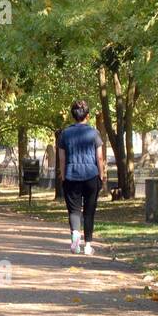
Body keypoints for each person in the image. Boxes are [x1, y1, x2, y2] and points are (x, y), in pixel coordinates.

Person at [56, 100, 106, 255]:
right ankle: (88, 246)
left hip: (71, 176)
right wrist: (101, 175)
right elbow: (99, 157)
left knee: (74, 211)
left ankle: (75, 242)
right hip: (91, 175)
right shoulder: (94, 133)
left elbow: (62, 158)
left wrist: (63, 176)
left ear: (73, 116)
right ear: (88, 116)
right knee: (89, 211)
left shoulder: (65, 134)